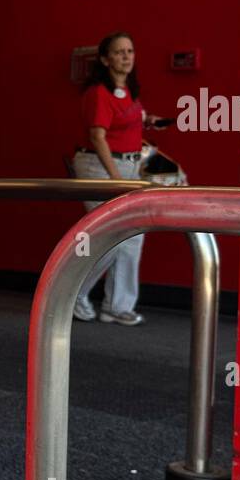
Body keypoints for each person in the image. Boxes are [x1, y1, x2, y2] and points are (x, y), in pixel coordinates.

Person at [72, 32, 165, 326]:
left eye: (130, 51)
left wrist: (148, 121)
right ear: (104, 59)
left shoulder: (128, 90)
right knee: (109, 236)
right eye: (119, 52)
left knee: (132, 236)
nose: (126, 56)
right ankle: (72, 295)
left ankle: (117, 306)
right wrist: (114, 177)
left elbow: (126, 120)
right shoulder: (99, 92)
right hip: (100, 166)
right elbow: (97, 137)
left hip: (129, 165)